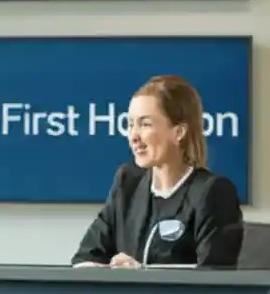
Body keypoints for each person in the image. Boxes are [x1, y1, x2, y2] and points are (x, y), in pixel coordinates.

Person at [72, 75, 244, 268]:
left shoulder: (213, 192)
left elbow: (215, 280)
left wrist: (142, 276)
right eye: (130, 124)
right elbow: (84, 258)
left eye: (145, 124)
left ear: (178, 132)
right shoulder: (127, 182)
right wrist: (109, 273)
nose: (133, 136)